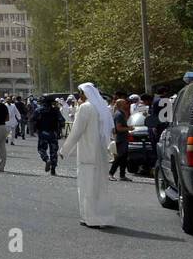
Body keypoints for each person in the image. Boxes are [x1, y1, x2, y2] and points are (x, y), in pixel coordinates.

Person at [60, 83, 114, 228]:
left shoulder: (85, 108)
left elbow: (76, 132)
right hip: (101, 153)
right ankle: (101, 216)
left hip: (87, 153)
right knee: (99, 187)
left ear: (83, 93)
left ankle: (90, 217)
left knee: (87, 186)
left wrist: (64, 150)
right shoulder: (102, 107)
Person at [33, 95, 66, 175]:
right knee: (54, 151)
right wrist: (59, 130)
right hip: (53, 133)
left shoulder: (38, 110)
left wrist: (36, 130)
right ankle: (53, 169)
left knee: (41, 149)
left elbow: (33, 120)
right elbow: (62, 121)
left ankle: (47, 160)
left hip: (43, 132)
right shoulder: (56, 110)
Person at [109, 95, 131, 180]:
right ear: (121, 105)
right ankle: (111, 173)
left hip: (124, 138)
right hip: (121, 138)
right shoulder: (119, 114)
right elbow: (118, 128)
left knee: (124, 158)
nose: (127, 104)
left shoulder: (121, 113)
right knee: (119, 157)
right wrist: (129, 128)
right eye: (125, 103)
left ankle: (122, 175)